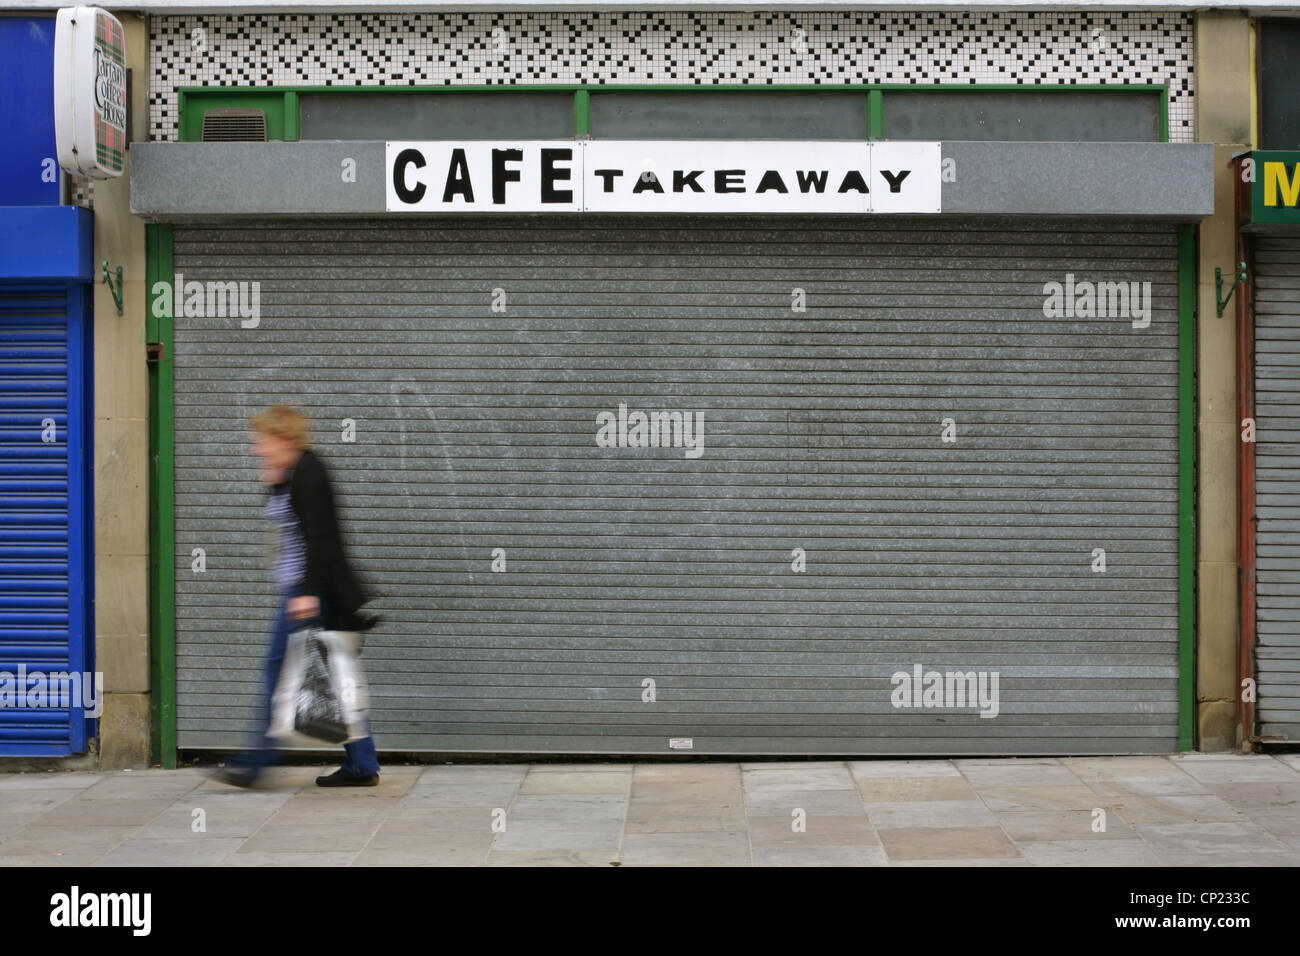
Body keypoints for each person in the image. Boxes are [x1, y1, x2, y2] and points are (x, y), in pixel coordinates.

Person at [218, 404, 382, 788]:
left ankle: (256, 762)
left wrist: (307, 593)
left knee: (277, 674)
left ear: (284, 437)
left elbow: (321, 539)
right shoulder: (294, 473)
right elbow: (288, 527)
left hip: (307, 594)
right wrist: (274, 482)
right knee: (337, 677)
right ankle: (362, 765)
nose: (256, 448)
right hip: (304, 591)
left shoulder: (311, 472)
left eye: (262, 440)